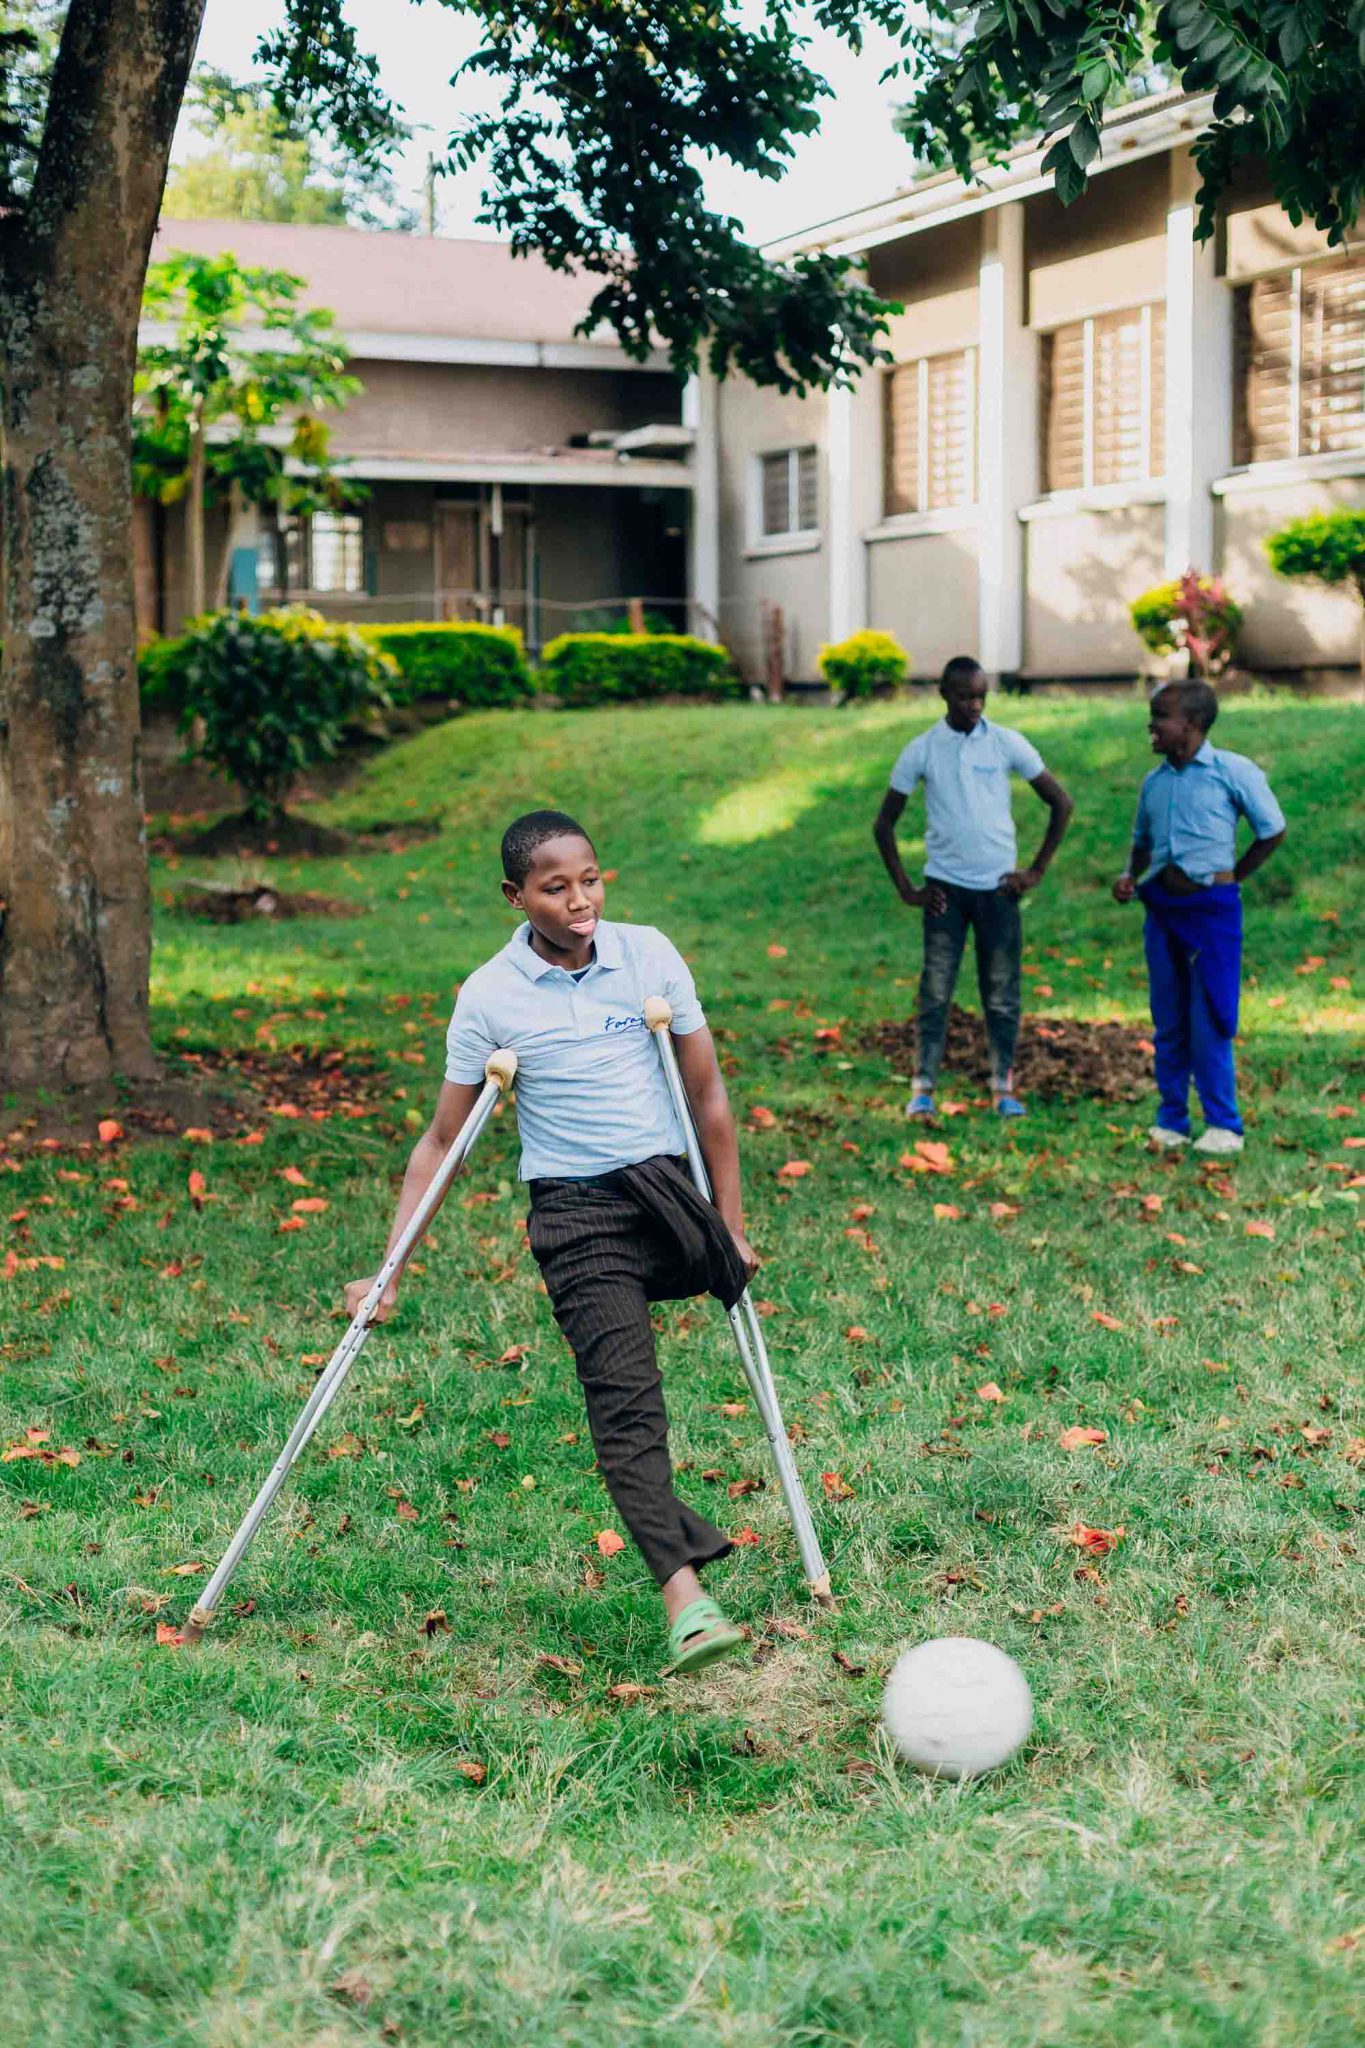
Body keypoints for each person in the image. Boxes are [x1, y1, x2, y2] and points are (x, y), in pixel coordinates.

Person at [345, 810, 759, 1678]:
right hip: (577, 1217)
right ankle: (685, 1597)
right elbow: (441, 1143)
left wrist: (731, 1223)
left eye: (590, 880)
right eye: (554, 887)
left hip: (667, 1192)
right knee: (624, 1403)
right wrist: (385, 1272)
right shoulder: (489, 996)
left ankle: (678, 1555)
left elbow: (708, 1095)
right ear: (515, 895)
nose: (579, 901)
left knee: (669, 1331)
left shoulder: (648, 956)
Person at [872, 655, 1074, 1119]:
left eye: (982, 695)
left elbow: (1060, 802)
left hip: (999, 891)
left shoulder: (1005, 743)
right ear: (945, 694)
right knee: (937, 990)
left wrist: (1035, 872)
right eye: (965, 696)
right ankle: (923, 1086)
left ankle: (1002, 1087)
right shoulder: (922, 749)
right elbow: (884, 825)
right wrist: (908, 888)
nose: (975, 705)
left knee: (1001, 992)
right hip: (945, 891)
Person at [1114, 679, 1285, 1156]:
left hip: (1212, 912)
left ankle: (1223, 1125)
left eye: (1160, 718)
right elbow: (1142, 842)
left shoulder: (1232, 772)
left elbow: (1272, 831)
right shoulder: (1155, 783)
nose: (1151, 727)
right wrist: (1130, 875)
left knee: (1209, 1014)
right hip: (1163, 911)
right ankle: (1171, 1119)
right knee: (1168, 1017)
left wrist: (1233, 879)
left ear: (1191, 724)